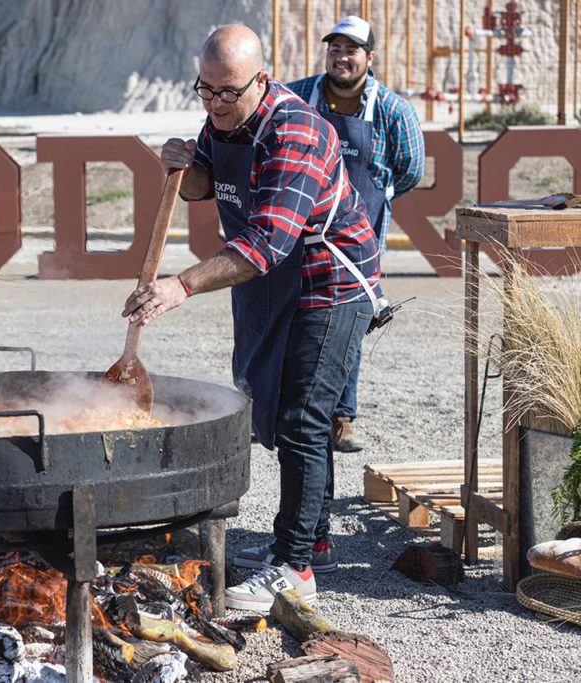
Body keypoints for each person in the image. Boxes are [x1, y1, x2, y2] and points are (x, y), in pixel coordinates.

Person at [121, 25, 383, 612]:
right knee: (274, 402)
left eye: (227, 92)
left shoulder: (297, 132)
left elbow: (267, 242)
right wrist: (179, 169)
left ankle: (295, 570)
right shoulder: (223, 116)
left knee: (302, 420)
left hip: (330, 280)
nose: (214, 103)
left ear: (262, 80)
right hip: (272, 280)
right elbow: (204, 185)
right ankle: (312, 540)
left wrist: (180, 286)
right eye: (204, 90)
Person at [288, 16, 424, 453]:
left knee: (348, 326)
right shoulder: (297, 96)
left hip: (355, 247)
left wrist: (369, 205)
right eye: (335, 48)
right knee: (287, 318)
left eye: (352, 49)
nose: (341, 57)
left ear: (371, 57)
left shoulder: (393, 110)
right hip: (296, 232)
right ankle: (280, 410)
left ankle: (341, 419)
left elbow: (410, 172)